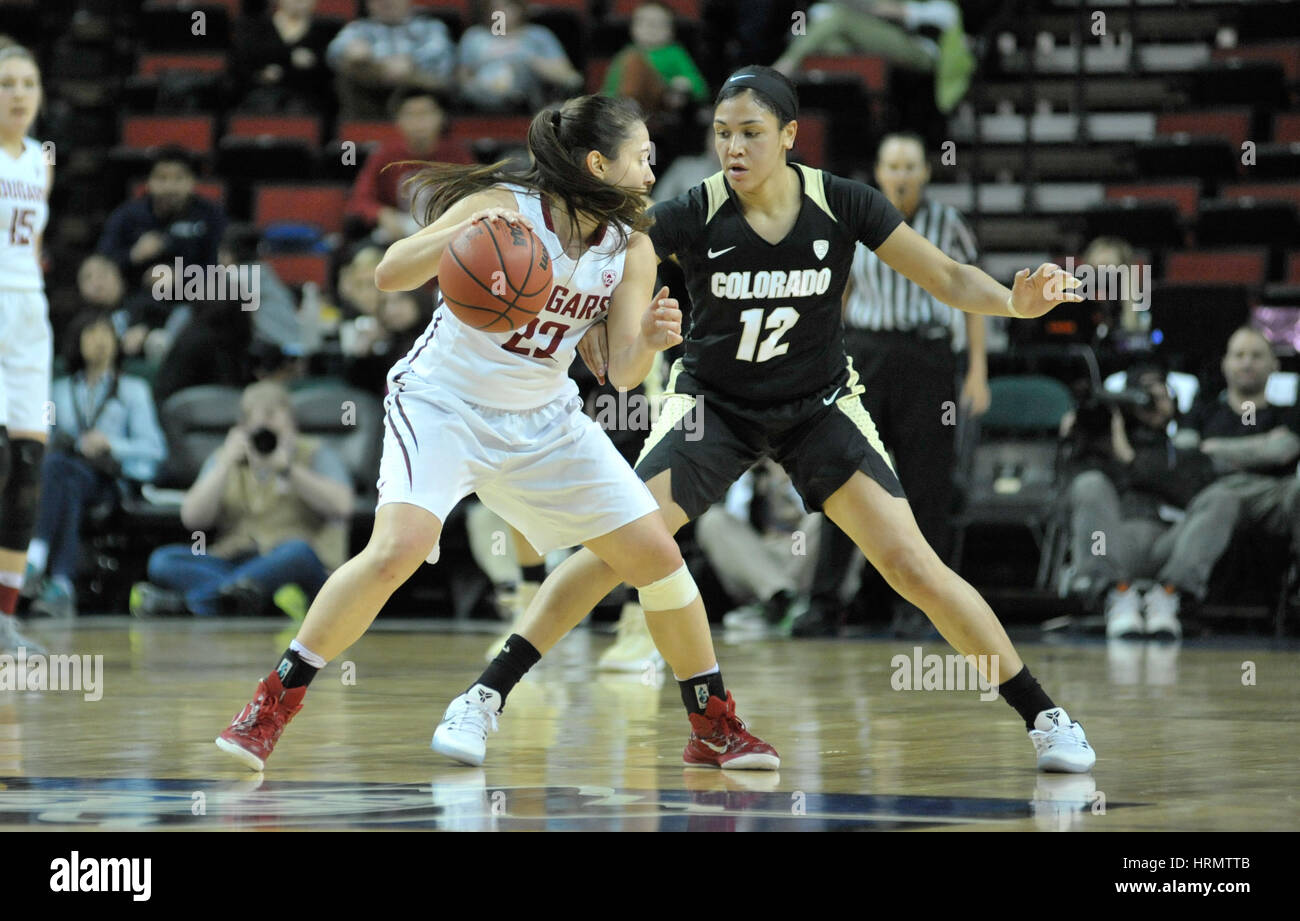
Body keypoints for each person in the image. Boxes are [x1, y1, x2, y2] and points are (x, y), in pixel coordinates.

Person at [469, 66, 1097, 773]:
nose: (733, 148)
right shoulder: (689, 211)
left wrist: (1015, 303)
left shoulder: (843, 203)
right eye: (722, 134)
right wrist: (631, 325)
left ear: (791, 137)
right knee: (616, 549)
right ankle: (486, 696)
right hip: (714, 407)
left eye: (751, 134)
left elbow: (948, 278)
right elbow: (614, 261)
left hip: (818, 405)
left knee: (912, 564)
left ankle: (1046, 716)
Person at [214, 95, 779, 773]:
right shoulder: (511, 207)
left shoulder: (630, 245)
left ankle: (712, 725)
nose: (652, 171)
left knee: (657, 554)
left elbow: (623, 375)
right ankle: (273, 700)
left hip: (543, 417)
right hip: (444, 403)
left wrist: (652, 340)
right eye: (642, 157)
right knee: (400, 546)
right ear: (600, 163)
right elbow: (389, 273)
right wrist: (456, 233)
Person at [794, 131, 988, 638]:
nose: (901, 175)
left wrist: (978, 371)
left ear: (926, 172)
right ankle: (824, 600)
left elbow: (970, 293)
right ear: (879, 172)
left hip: (927, 358)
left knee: (928, 484)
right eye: (892, 165)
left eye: (910, 166)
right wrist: (820, 359)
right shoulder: (855, 217)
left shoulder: (947, 224)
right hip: (864, 356)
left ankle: (923, 609)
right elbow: (838, 291)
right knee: (843, 478)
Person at [131, 380, 352, 619]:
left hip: (294, 564)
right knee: (163, 560)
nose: (264, 426)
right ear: (243, 427)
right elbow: (193, 518)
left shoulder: (315, 452)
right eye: (255, 420)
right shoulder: (227, 457)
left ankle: (190, 604)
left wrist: (288, 470)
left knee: (297, 552)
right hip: (235, 560)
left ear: (292, 422)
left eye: (273, 416)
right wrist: (224, 464)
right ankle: (258, 602)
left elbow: (342, 506)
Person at [1060, 363, 1232, 639]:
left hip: (1171, 545)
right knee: (1090, 483)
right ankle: (1114, 594)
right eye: (1143, 395)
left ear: (1174, 402)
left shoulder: (1184, 449)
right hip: (1115, 543)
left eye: (1159, 395)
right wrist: (1078, 438)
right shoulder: (1103, 445)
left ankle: (1169, 595)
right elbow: (1073, 491)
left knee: (1224, 496)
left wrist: (1130, 459)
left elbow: (1188, 489)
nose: (1151, 403)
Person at [23, 313, 166, 617]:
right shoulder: (58, 391)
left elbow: (155, 449)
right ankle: (62, 584)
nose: (100, 340)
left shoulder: (133, 389)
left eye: (106, 333)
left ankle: (36, 558)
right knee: (62, 471)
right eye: (91, 333)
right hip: (68, 475)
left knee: (59, 471)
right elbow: (43, 436)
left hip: (111, 480)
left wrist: (112, 443)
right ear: (77, 341)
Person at [0, 44, 52, 654]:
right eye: (7, 82)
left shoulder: (41, 160)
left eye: (28, 82)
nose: (18, 93)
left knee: (29, 465)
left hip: (28, 313)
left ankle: (6, 615)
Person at [1176, 327, 1300, 582]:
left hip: (1273, 498)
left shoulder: (1288, 413)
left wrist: (1212, 447)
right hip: (1215, 495)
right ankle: (1176, 591)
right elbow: (1184, 454)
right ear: (1225, 364)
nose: (1247, 363)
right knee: (1222, 499)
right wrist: (1263, 447)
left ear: (1274, 365)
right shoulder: (1202, 411)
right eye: (1239, 355)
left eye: (1256, 355)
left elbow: (1283, 451)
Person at [772, 0, 974, 114]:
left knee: (838, 19)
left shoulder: (944, 6)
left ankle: (783, 68)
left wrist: (892, 10)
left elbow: (945, 16)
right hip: (870, 37)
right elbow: (820, 11)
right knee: (832, 39)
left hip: (921, 49)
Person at [344, 89, 471, 245]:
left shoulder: (457, 155)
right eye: (410, 115)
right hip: (396, 239)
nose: (419, 123)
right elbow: (360, 198)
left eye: (425, 113)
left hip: (445, 238)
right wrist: (381, 214)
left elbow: (474, 198)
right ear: (398, 120)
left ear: (441, 117)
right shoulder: (385, 154)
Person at [96, 147, 228, 297]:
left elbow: (221, 266)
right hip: (134, 297)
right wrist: (133, 255)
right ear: (149, 182)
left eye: (179, 178)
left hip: (193, 300)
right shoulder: (127, 215)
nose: (170, 187)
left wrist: (180, 278)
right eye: (161, 178)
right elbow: (102, 262)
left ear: (192, 182)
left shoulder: (211, 215)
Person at [325, 0, 456, 121]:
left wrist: (411, 62)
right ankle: (365, 130)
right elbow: (333, 53)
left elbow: (441, 55)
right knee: (351, 67)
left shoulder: (430, 26)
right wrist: (353, 53)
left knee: (436, 80)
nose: (386, 2)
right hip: (370, 90)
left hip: (418, 88)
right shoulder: (357, 28)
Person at [456, 0, 582, 113]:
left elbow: (571, 78)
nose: (499, 11)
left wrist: (531, 61)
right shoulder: (473, 37)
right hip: (479, 106)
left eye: (505, 5)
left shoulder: (538, 36)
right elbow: (461, 79)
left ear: (519, 7)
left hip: (526, 106)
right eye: (493, 6)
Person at [231, 0, 340, 116]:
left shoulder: (327, 30)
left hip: (308, 100)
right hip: (260, 96)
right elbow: (243, 62)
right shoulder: (253, 26)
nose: (298, 2)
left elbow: (328, 69)